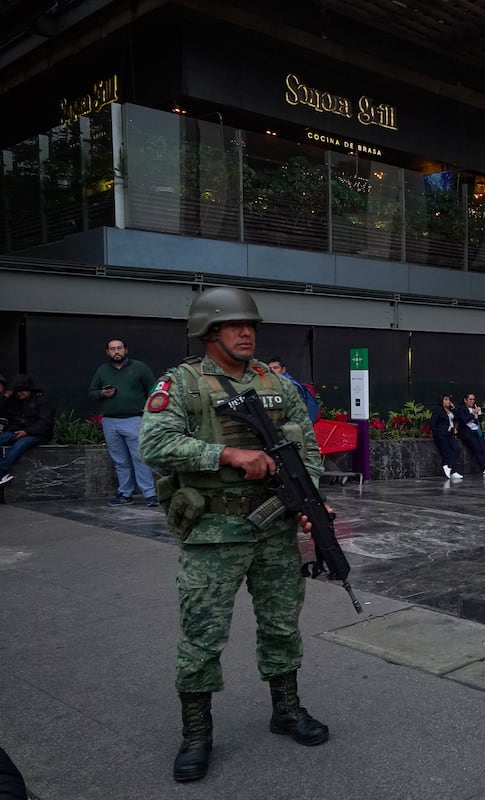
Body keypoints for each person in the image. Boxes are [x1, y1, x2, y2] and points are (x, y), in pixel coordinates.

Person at [138, 286, 329, 783]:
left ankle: (286, 709)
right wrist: (226, 455)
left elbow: (306, 445)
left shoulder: (276, 383)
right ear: (209, 332)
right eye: (233, 325)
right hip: (212, 531)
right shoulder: (181, 383)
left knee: (282, 624)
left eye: (251, 326)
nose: (246, 332)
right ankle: (197, 734)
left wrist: (309, 500)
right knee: (202, 636)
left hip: (274, 527)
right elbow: (154, 443)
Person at [89, 338, 159, 507]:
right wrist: (103, 394)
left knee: (139, 458)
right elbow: (92, 392)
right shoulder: (102, 370)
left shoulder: (139, 368)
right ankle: (125, 494)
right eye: (112, 349)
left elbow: (155, 389)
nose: (116, 352)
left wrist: (149, 410)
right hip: (110, 421)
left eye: (119, 348)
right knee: (120, 460)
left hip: (134, 419)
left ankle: (150, 494)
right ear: (107, 352)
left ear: (126, 350)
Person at [0, 375, 54, 487]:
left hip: (37, 434)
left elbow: (45, 423)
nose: (19, 393)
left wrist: (27, 432)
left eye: (22, 390)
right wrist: (7, 395)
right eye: (17, 391)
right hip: (17, 431)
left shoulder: (41, 400)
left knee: (21, 444)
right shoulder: (14, 401)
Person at [454, 392, 485, 476]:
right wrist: (473, 414)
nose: (472, 401)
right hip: (467, 432)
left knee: (484, 447)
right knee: (476, 448)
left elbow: (479, 421)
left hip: (476, 430)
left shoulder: (475, 408)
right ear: (465, 400)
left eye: (473, 399)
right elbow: (464, 420)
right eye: (470, 399)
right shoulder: (461, 409)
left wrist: (478, 414)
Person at [267, 358, 320, 424]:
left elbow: (298, 410)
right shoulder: (272, 384)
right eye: (270, 368)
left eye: (275, 368)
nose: (272, 371)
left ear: (283, 370)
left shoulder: (292, 386)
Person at [431, 394, 464, 480]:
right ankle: (452, 471)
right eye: (446, 399)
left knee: (457, 449)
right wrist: (437, 434)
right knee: (447, 453)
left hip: (450, 434)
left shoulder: (450, 411)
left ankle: (448, 466)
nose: (448, 401)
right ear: (441, 401)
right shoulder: (438, 410)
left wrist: (453, 409)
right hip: (442, 435)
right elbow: (433, 423)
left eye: (449, 399)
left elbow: (456, 418)